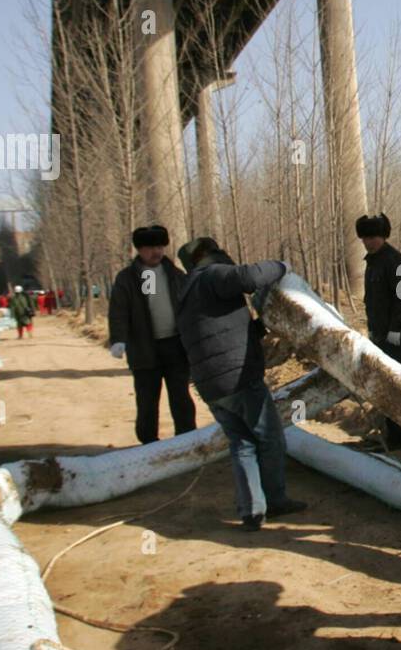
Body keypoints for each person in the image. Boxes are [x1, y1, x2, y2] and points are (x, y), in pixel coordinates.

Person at [175, 236, 305, 530]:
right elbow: (249, 277)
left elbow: (219, 332)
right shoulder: (213, 276)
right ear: (209, 255)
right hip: (238, 377)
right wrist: (282, 266)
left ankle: (252, 511)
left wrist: (260, 327)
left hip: (210, 386)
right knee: (271, 437)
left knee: (242, 444)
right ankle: (275, 500)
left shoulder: (186, 293)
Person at [108, 225, 197, 445]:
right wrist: (118, 339)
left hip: (175, 347)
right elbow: (118, 311)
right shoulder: (127, 279)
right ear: (139, 250)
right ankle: (149, 444)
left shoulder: (176, 275)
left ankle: (187, 440)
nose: (155, 252)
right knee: (147, 400)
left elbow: (192, 307)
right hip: (144, 349)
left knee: (181, 397)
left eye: (159, 246)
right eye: (149, 248)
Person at [357, 213, 401, 450]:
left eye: (373, 237)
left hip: (398, 336)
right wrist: (373, 330)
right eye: (365, 238)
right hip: (380, 334)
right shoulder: (372, 263)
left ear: (383, 236)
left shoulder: (399, 262)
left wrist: (397, 329)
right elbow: (371, 300)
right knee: (384, 385)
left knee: (397, 386)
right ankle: (390, 432)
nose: (369, 242)